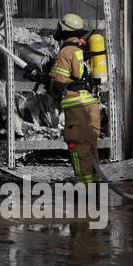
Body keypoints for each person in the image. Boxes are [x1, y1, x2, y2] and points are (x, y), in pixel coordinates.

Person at [46, 13, 100, 184]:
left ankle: (85, 189)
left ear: (64, 30)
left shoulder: (65, 52)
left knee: (77, 149)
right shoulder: (81, 49)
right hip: (91, 106)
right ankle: (95, 187)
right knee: (90, 147)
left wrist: (46, 81)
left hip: (77, 109)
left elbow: (58, 86)